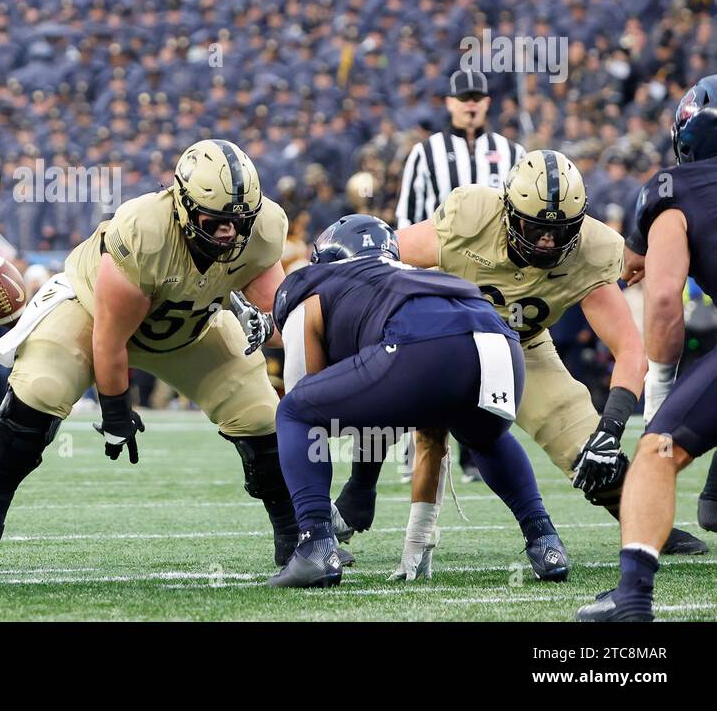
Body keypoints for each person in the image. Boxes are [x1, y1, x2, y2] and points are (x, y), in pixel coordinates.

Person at [0, 139, 302, 574]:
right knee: (40, 390)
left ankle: (296, 537)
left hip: (190, 326)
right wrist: (116, 413)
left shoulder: (262, 228)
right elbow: (111, 341)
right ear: (185, 208)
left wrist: (273, 322)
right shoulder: (144, 231)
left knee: (262, 416)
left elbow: (278, 310)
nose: (230, 233)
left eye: (239, 221)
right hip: (91, 313)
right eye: (217, 222)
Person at [332, 151, 707, 566]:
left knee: (592, 458)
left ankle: (641, 521)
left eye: (559, 230)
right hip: (447, 340)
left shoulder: (592, 248)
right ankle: (359, 489)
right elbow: (388, 253)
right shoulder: (473, 215)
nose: (547, 241)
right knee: (386, 389)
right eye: (536, 228)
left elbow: (630, 349)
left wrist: (612, 426)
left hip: (522, 348)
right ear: (509, 212)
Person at [268, 214, 569, 588]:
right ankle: (545, 541)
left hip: (420, 347)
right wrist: (369, 489)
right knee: (482, 434)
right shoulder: (414, 275)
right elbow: (406, 415)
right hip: (501, 344)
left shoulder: (313, 283)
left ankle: (315, 548)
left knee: (295, 411)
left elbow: (313, 404)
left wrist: (356, 489)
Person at [580, 78, 717, 620]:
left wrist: (660, 387)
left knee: (655, 453)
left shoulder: (672, 188)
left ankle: (632, 598)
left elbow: (661, 297)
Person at [395, 69, 526, 481]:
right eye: (463, 97)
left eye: (477, 97)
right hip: (439, 269)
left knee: (490, 358)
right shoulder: (425, 153)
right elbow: (407, 215)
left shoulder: (512, 151)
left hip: (494, 274)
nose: (470, 103)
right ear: (449, 103)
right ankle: (416, 445)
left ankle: (476, 447)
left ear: (488, 102)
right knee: (426, 357)